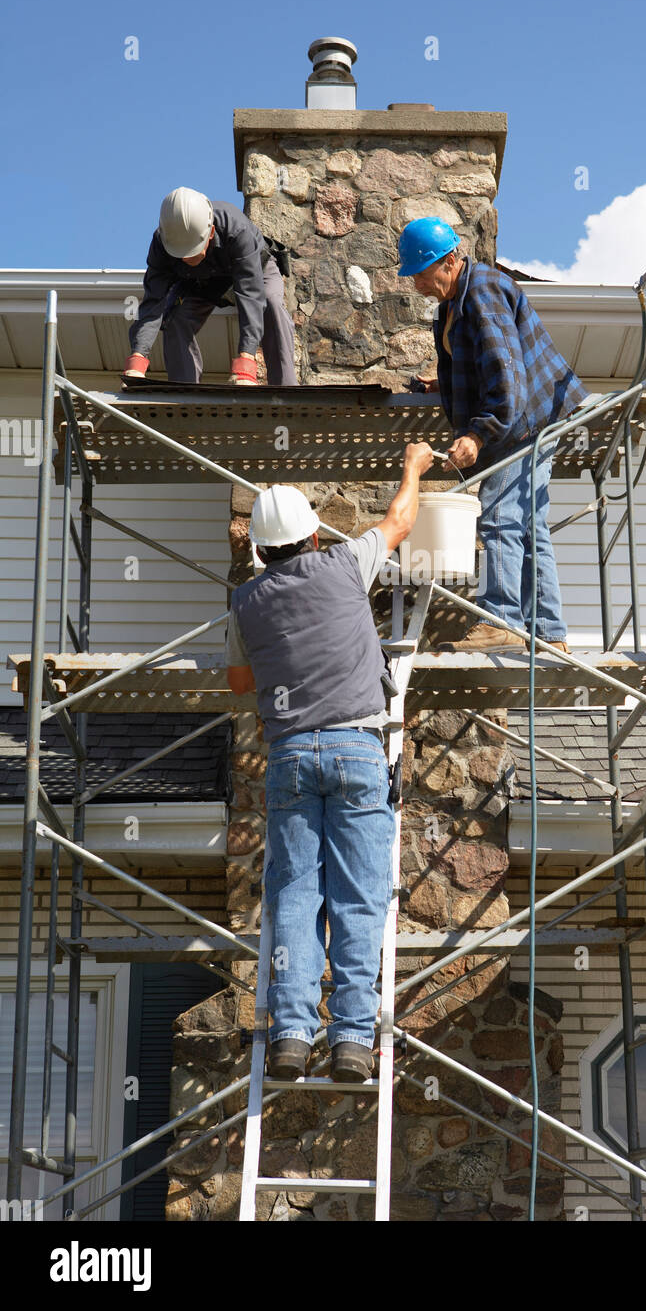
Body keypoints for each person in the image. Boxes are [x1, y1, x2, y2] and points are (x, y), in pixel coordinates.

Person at [225, 443, 434, 1082]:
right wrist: (413, 466)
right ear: (314, 535)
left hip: (289, 754)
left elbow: (239, 682)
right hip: (356, 748)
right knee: (359, 896)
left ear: (261, 550)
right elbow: (399, 521)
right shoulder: (345, 564)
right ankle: (349, 1039)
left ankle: (289, 1035)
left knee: (293, 892)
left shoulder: (244, 602)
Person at [397, 217, 592, 654]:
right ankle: (549, 632)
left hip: (524, 423)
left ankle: (503, 620)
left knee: (499, 517)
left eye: (421, 275)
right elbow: (481, 364)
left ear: (449, 261)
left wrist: (478, 436)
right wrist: (439, 385)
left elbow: (507, 378)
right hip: (529, 420)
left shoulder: (482, 292)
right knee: (528, 526)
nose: (417, 287)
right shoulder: (453, 303)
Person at [124, 187, 298, 388]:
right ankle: (185, 395)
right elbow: (154, 302)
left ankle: (285, 389)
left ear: (211, 232)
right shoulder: (162, 242)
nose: (187, 258)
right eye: (181, 254)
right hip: (201, 282)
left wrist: (246, 363)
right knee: (175, 319)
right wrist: (137, 361)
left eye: (192, 251)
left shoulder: (236, 229)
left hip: (255, 268)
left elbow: (250, 294)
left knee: (271, 302)